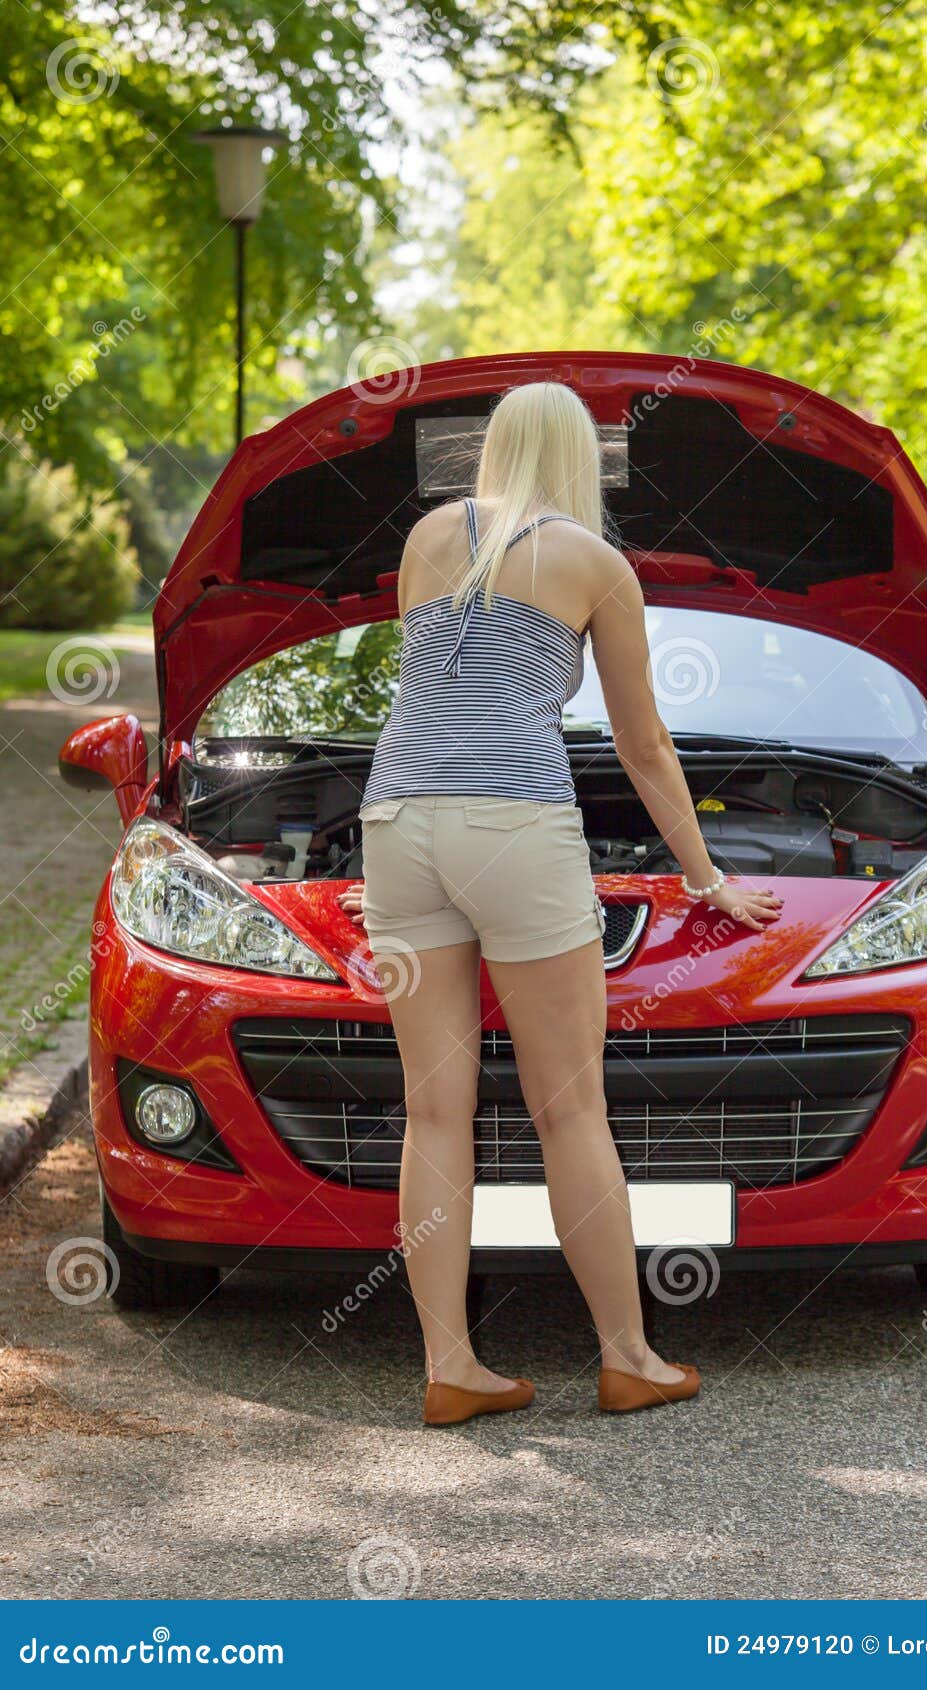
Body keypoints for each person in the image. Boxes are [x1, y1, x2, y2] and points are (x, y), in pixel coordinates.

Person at [339, 381, 781, 1425]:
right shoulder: (592, 562)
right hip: (512, 824)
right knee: (565, 1104)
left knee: (434, 1107)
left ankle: (450, 1365)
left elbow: (437, 692)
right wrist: (706, 877)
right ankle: (626, 1354)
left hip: (395, 822)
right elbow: (642, 746)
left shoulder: (425, 538)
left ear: (490, 450)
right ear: (579, 458)